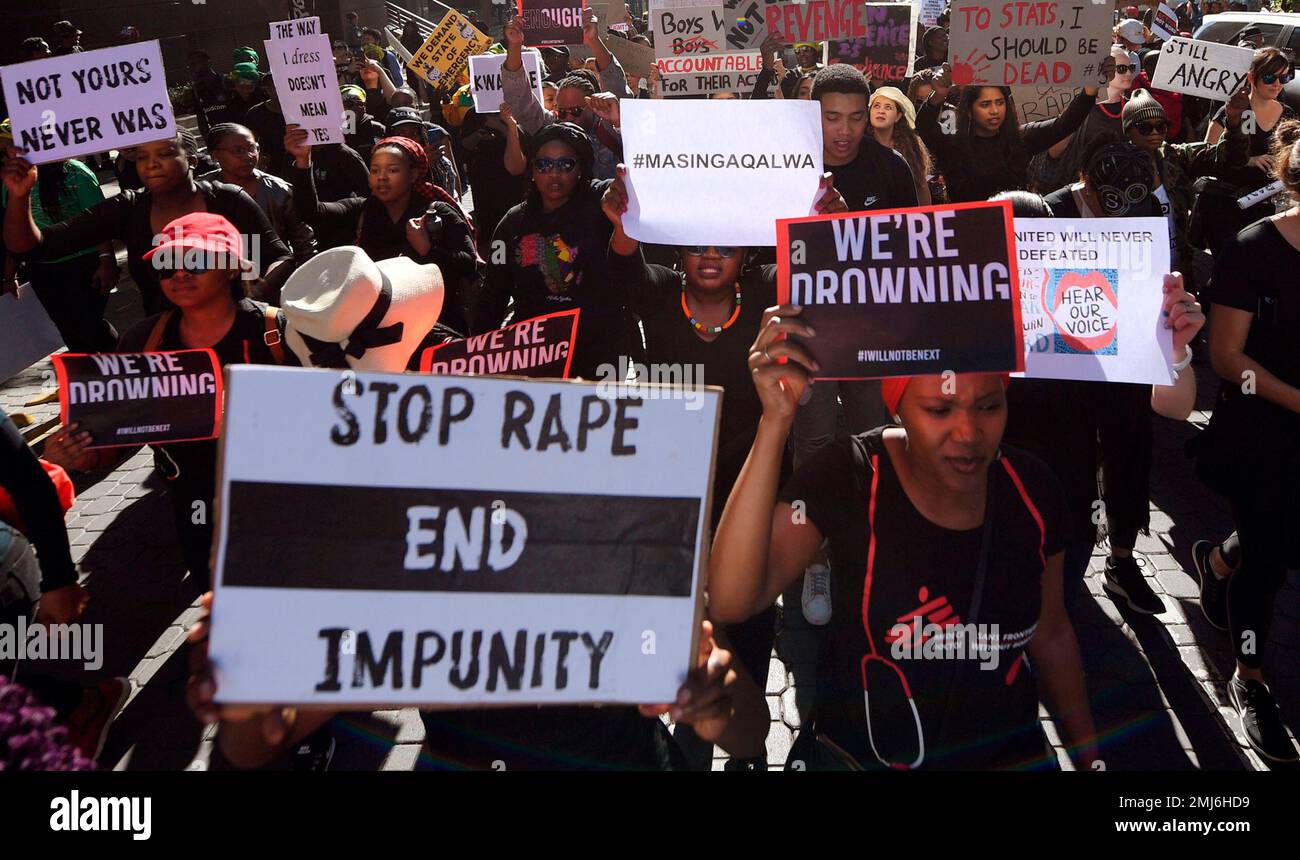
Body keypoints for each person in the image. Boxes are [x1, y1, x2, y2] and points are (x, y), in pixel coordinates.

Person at [708, 334, 1099, 769]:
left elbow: (1052, 633)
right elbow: (730, 598)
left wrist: (1090, 758)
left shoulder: (1033, 490)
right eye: (939, 410)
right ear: (897, 406)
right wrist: (774, 423)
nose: (968, 432)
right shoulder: (848, 477)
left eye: (988, 406)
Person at [41, 214, 287, 586]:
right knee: (216, 593)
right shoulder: (144, 342)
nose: (180, 274)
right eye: (167, 264)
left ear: (234, 267)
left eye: (197, 261)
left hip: (281, 496)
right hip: (197, 502)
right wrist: (80, 454)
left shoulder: (278, 331)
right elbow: (113, 441)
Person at [996, 190, 1206, 612]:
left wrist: (1176, 351)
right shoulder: (965, 329)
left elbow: (1174, 407)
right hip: (983, 514)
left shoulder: (1088, 326)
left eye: (1033, 246)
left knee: (1053, 619)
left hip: (1066, 515)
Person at [1187, 120, 1300, 764]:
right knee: (1268, 557)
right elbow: (1228, 359)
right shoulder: (1254, 248)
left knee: (1279, 541)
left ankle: (1215, 562)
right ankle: (1252, 679)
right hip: (1260, 431)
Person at [793, 64, 920, 625]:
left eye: (853, 118)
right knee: (815, 443)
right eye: (830, 118)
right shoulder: (786, 160)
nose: (842, 132)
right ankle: (813, 554)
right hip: (808, 332)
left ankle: (875, 543)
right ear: (811, 115)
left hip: (871, 332)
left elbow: (916, 248)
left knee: (879, 436)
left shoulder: (889, 168)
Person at [3, 131, 293, 314]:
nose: (151, 164)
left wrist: (255, 294)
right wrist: (20, 195)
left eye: (165, 154)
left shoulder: (228, 201)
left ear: (191, 160)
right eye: (142, 156)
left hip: (238, 334)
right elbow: (36, 247)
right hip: (170, 348)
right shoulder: (128, 208)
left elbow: (277, 255)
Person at [473, 123, 639, 379]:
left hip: (598, 352)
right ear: (532, 171)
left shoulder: (602, 207)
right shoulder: (513, 223)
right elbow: (492, 297)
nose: (554, 174)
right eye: (544, 165)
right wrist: (475, 358)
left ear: (581, 168)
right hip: (534, 354)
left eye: (565, 165)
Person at [287, 129, 477, 333]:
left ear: (413, 174)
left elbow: (469, 264)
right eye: (376, 170)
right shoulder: (363, 209)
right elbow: (312, 213)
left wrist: (428, 251)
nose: (382, 178)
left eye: (392, 170)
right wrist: (303, 160)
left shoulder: (436, 211)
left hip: (435, 323)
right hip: (379, 328)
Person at [1124, 87, 1251, 292]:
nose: (1155, 133)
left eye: (1161, 126)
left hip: (1179, 271)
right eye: (1145, 128)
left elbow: (1232, 158)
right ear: (1128, 130)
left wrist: (1234, 122)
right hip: (1139, 274)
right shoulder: (1115, 168)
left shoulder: (1176, 156)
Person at [0, 147, 119, 352]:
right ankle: (86, 376)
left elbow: (100, 222)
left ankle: (123, 364)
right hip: (42, 270)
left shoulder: (77, 172)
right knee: (67, 329)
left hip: (84, 266)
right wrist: (9, 277)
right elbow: (14, 231)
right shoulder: (13, 181)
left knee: (89, 324)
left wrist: (107, 261)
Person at [918, 77, 1099, 203]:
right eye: (985, 104)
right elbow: (924, 125)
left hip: (1015, 229)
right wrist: (938, 95)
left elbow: (1064, 125)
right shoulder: (953, 145)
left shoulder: (1021, 139)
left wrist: (1090, 91)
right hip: (968, 231)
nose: (995, 110)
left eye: (1000, 102)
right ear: (969, 110)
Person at [501, 12, 629, 180]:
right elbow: (519, 99)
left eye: (576, 111)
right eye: (562, 112)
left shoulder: (613, 127)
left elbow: (615, 84)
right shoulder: (553, 128)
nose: (568, 118)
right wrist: (515, 45)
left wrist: (593, 40)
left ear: (592, 106)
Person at [1201, 47, 1297, 253]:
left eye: (1285, 77)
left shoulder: (1287, 114)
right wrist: (1249, 160)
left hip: (1269, 207)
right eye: (1270, 77)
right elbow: (1206, 152)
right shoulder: (1233, 110)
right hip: (1228, 205)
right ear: (1252, 77)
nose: (1277, 84)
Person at [203, 123, 316, 271]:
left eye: (252, 148)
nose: (248, 156)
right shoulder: (204, 190)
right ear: (214, 155)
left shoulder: (279, 190)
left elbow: (304, 244)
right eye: (238, 151)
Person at [1039, 45, 1137, 195]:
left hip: (1121, 189)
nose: (1129, 73)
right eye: (1122, 68)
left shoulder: (1134, 106)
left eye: (1132, 67)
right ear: (1104, 70)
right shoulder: (1082, 107)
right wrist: (1067, 119)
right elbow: (1054, 153)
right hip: (1080, 191)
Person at [869, 86, 935, 206]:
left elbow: (921, 187)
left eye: (888, 107)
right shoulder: (859, 144)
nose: (881, 111)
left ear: (898, 116)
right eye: (876, 106)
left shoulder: (911, 147)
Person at [188, 51, 231, 138]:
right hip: (217, 134)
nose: (193, 68)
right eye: (190, 65)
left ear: (208, 62)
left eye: (195, 63)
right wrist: (206, 137)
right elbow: (200, 116)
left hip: (234, 129)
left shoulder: (226, 81)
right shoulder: (196, 89)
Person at [341, 85, 387, 162]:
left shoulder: (376, 128)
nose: (355, 108)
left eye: (360, 104)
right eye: (348, 104)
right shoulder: (334, 131)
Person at [225, 63, 267, 128]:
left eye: (249, 87)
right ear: (235, 85)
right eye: (241, 86)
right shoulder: (230, 99)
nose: (245, 90)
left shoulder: (263, 98)